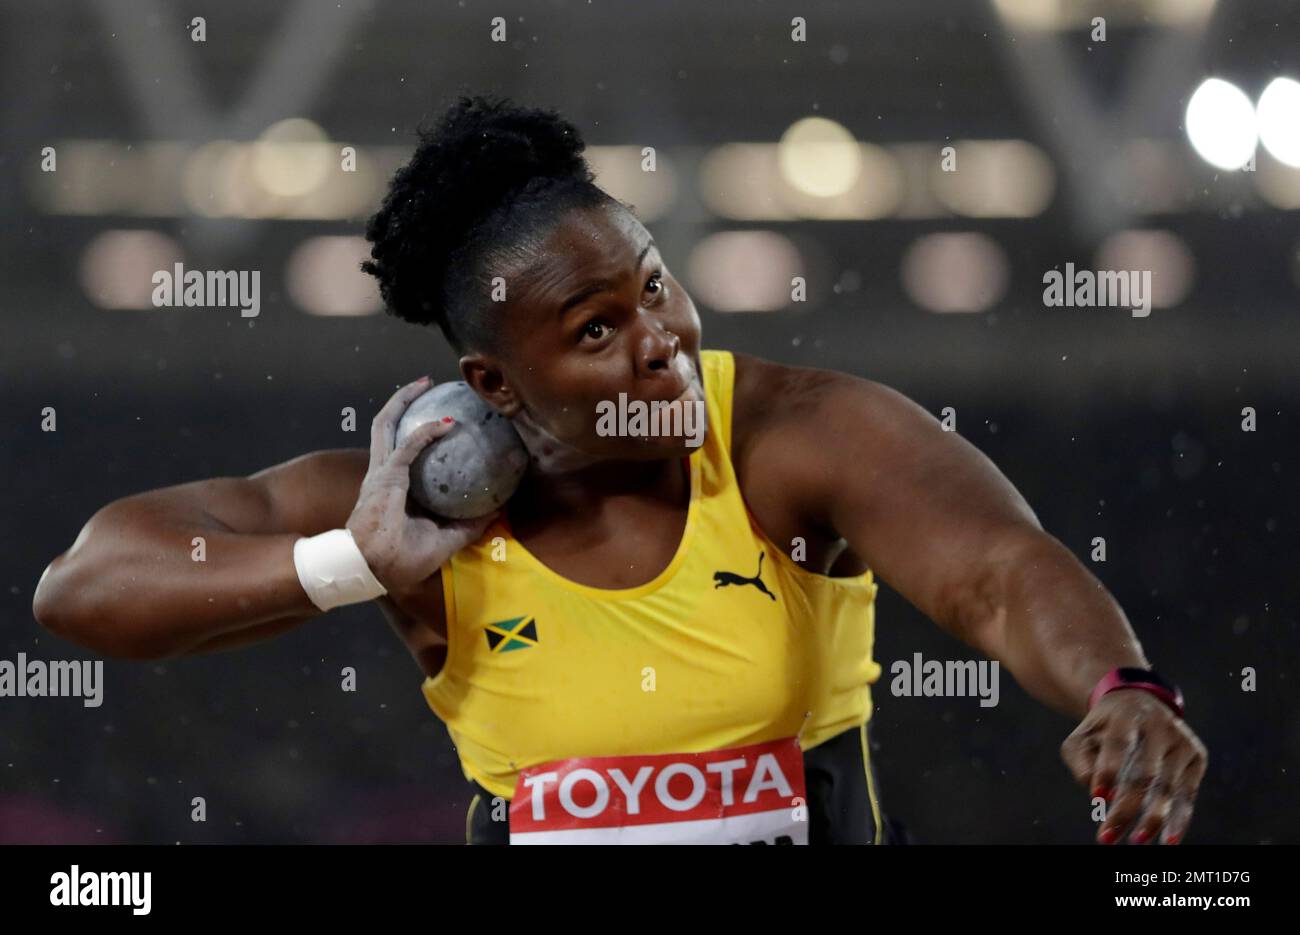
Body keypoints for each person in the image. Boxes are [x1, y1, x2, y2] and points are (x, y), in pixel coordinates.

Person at [32, 95, 1206, 845]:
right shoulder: (409, 508)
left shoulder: (792, 435)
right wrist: (353, 562)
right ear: (496, 382)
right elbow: (84, 587)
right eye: (595, 328)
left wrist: (1120, 688)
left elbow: (997, 571)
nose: (661, 340)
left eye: (652, 283)